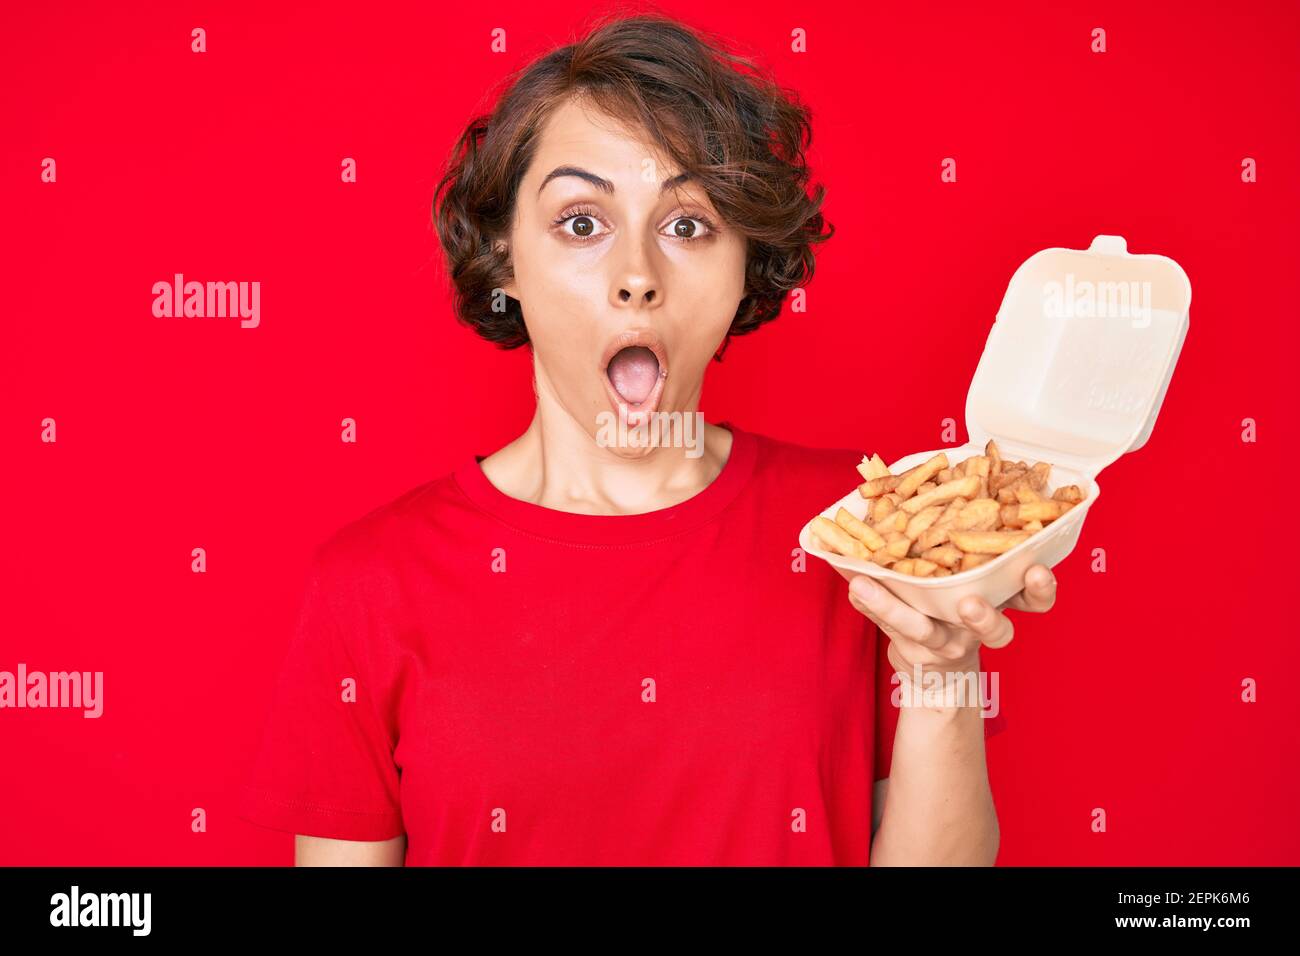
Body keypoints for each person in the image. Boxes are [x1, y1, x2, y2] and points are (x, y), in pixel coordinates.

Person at [236, 13, 1054, 867]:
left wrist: (942, 676)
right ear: (506, 257)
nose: (637, 276)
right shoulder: (370, 585)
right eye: (582, 222)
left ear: (744, 264)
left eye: (688, 224)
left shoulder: (867, 533)